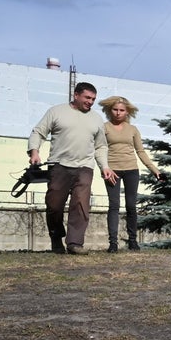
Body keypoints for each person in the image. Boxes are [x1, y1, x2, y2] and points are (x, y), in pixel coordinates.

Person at [28, 82, 115, 255]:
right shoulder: (56, 111)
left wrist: (104, 166)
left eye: (93, 99)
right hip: (59, 165)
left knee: (81, 205)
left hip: (85, 167)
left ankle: (75, 243)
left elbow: (101, 146)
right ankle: (56, 238)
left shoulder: (96, 119)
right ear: (76, 95)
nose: (90, 102)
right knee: (54, 205)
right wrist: (34, 152)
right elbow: (39, 132)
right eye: (87, 98)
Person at [100, 95, 163, 252]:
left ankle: (133, 241)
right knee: (114, 206)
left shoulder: (133, 129)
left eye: (122, 110)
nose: (118, 113)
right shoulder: (104, 127)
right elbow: (99, 149)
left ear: (127, 112)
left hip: (131, 171)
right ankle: (113, 243)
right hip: (112, 171)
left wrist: (155, 170)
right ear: (109, 110)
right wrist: (104, 168)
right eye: (115, 109)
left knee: (131, 206)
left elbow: (140, 151)